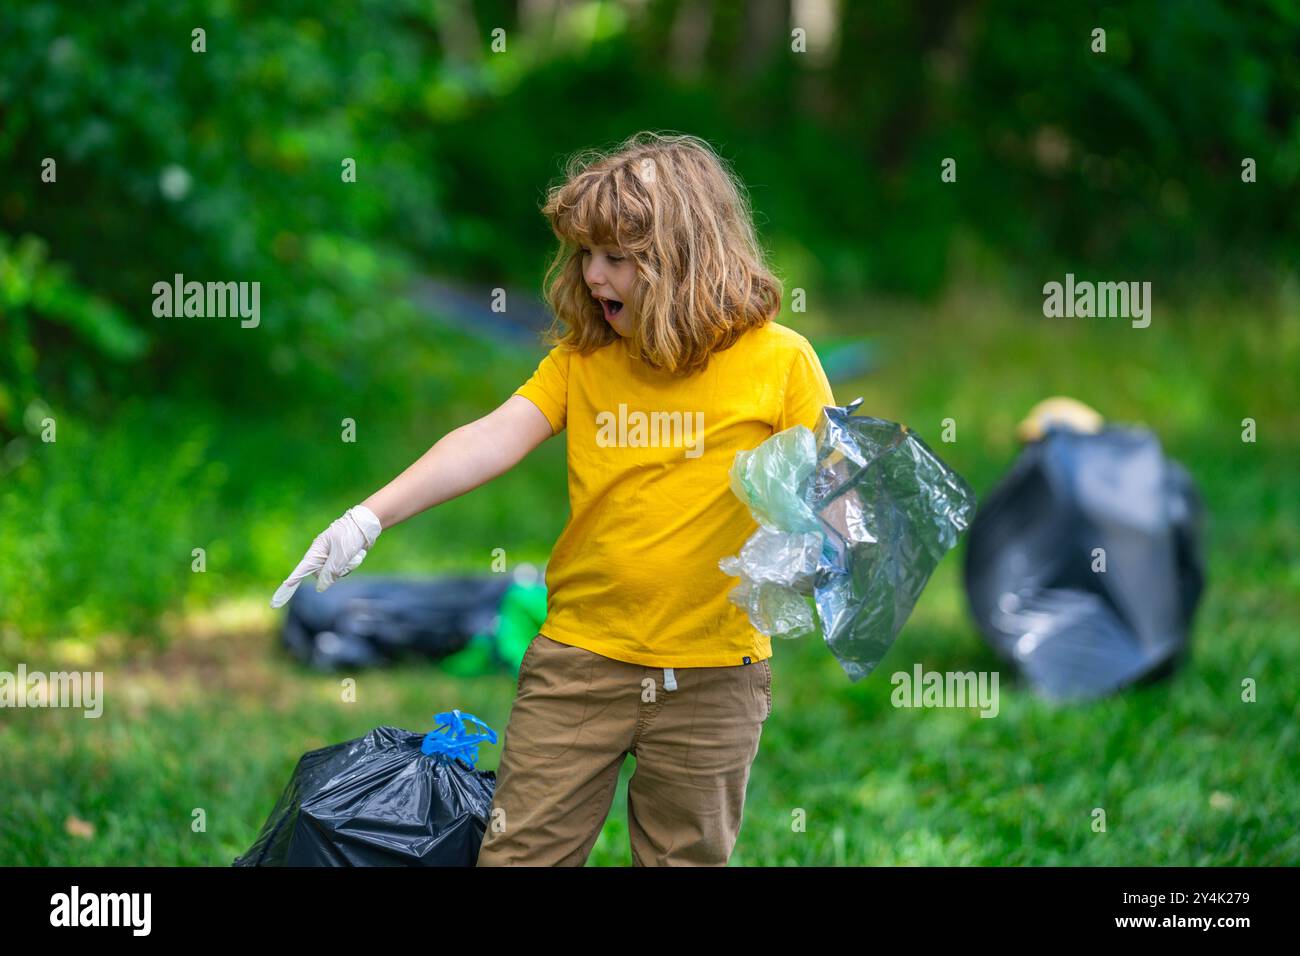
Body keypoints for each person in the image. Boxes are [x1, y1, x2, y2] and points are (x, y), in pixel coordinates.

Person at [270, 131, 835, 865]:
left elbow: (838, 492)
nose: (593, 276)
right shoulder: (585, 359)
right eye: (584, 255)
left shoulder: (781, 361)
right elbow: (488, 438)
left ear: (685, 258)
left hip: (715, 675)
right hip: (580, 661)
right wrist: (368, 515)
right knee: (519, 856)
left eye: (617, 258)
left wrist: (818, 547)